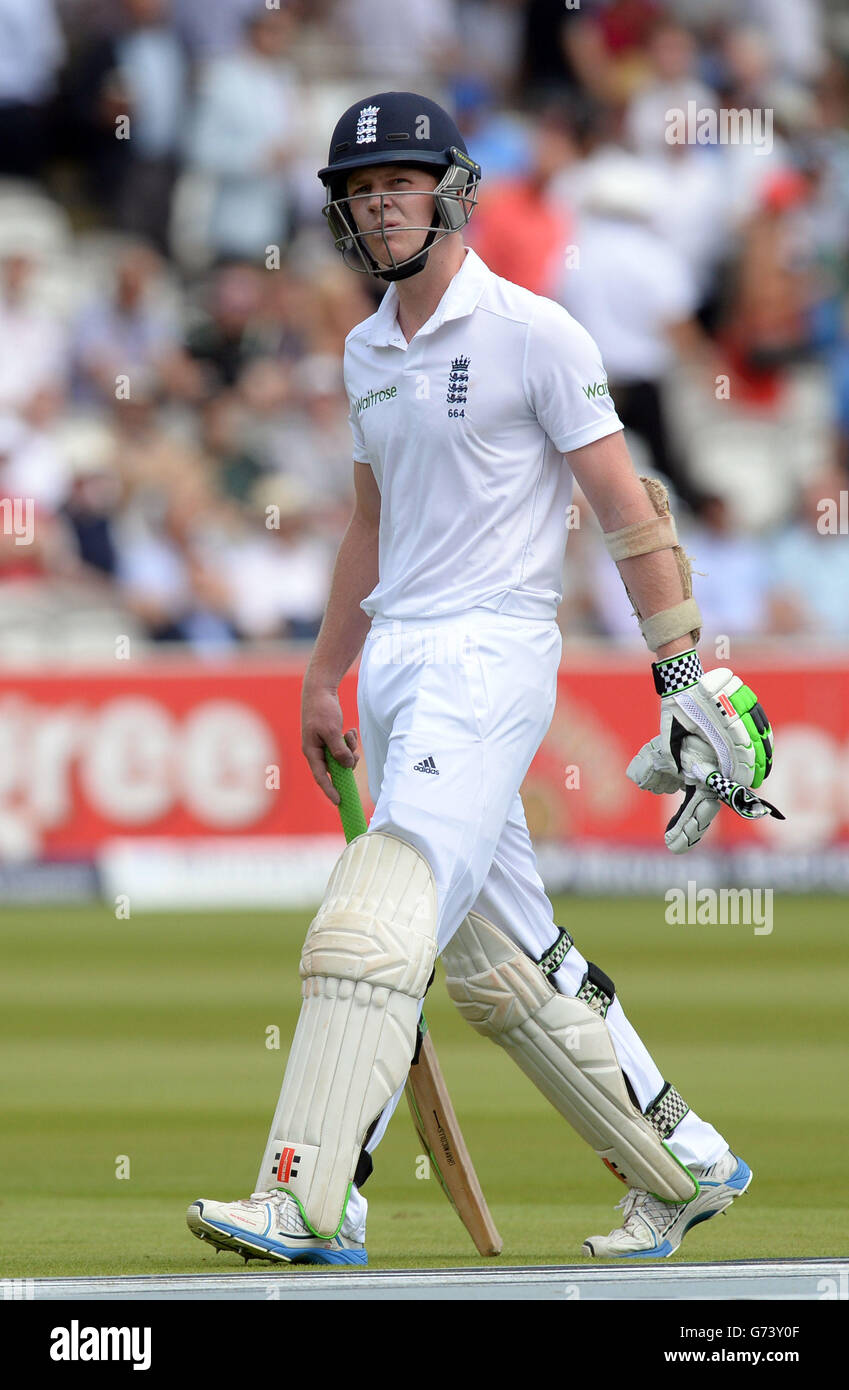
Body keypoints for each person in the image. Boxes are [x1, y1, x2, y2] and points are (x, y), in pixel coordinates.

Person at [187, 92, 775, 1265]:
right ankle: (686, 1162)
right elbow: (370, 521)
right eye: (358, 195)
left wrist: (679, 670)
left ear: (451, 189)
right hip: (401, 656)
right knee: (505, 965)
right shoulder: (366, 348)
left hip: (492, 652)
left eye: (396, 185)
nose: (377, 208)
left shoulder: (533, 332)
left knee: (374, 918)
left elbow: (628, 510)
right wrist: (323, 677)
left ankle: (310, 1197)